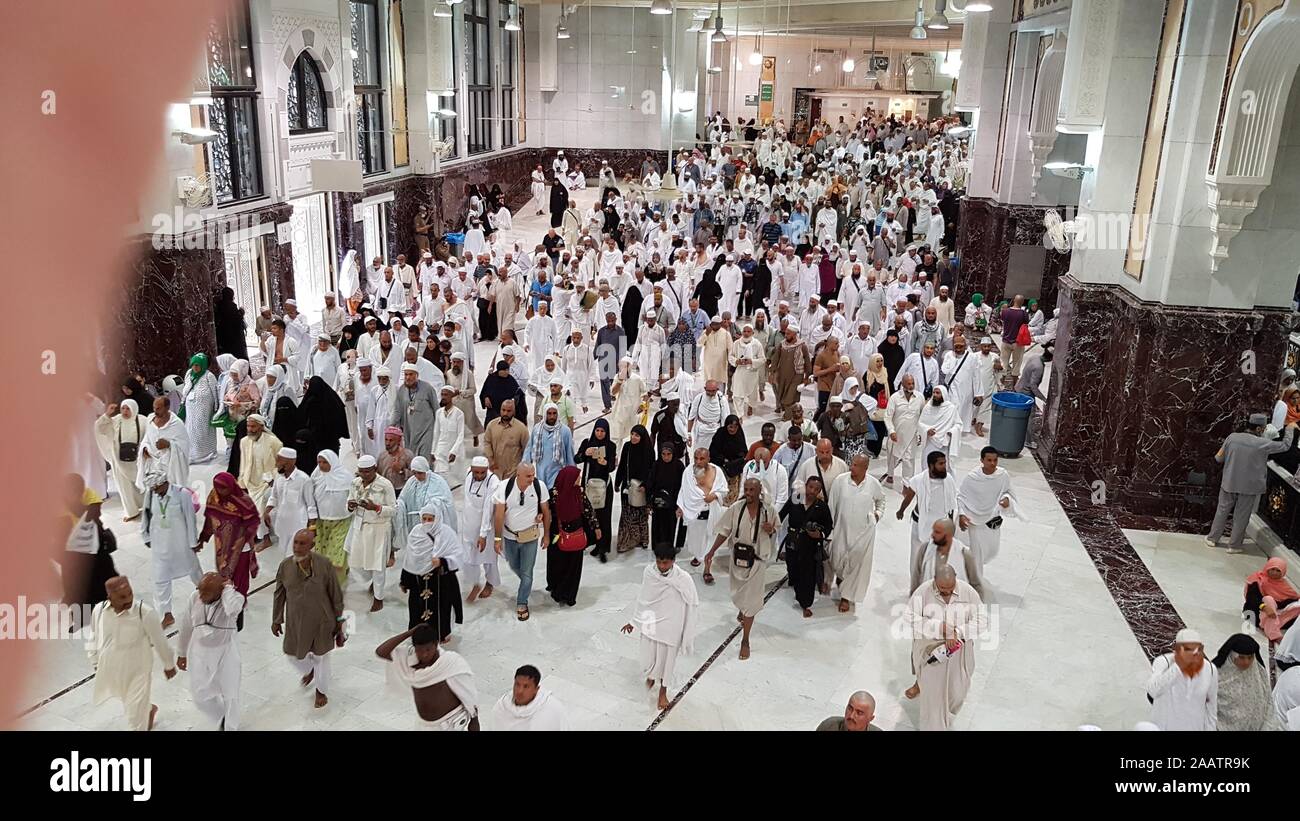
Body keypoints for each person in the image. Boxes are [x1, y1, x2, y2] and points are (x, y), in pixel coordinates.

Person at [86, 576, 177, 730]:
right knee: (130, 702)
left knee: (134, 717)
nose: (128, 599)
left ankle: (142, 716)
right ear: (110, 597)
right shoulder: (99, 610)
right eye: (122, 597)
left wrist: (168, 664)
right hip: (113, 670)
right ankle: (147, 710)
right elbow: (94, 637)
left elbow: (160, 640)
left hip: (139, 671)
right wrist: (95, 661)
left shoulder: (144, 613)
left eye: (130, 594)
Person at [903, 565, 984, 731]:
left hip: (958, 652)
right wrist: (939, 628)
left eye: (950, 589)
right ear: (934, 581)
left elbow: (982, 620)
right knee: (933, 700)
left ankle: (943, 717)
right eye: (941, 590)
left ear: (955, 579)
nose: (946, 593)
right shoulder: (923, 592)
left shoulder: (968, 593)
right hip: (931, 653)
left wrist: (958, 632)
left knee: (958, 693)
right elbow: (909, 617)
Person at [272, 529, 346, 709]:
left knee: (321, 657)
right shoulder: (285, 566)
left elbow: (335, 594)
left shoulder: (324, 564)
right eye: (295, 542)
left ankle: (321, 690)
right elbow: (279, 594)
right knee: (291, 654)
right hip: (295, 620)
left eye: (302, 543)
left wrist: (340, 621)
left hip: (322, 619)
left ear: (312, 546)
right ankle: (309, 671)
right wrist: (276, 619)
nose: (297, 547)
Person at [706, 477, 778, 660]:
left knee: (752, 603)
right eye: (746, 489)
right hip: (738, 561)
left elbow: (776, 529)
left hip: (758, 561)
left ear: (759, 490)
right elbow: (724, 531)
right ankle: (743, 609)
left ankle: (745, 639)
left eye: (752, 490)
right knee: (740, 596)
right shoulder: (736, 509)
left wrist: (770, 529)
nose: (748, 493)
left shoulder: (768, 511)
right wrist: (712, 551)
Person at [622, 544, 700, 711]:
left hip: (671, 625)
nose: (662, 566)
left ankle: (663, 692)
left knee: (667, 660)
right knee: (649, 656)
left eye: (666, 563)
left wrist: (687, 630)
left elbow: (691, 602)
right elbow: (644, 598)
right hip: (651, 622)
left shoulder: (683, 578)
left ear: (673, 561)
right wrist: (634, 621)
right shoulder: (649, 573)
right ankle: (651, 676)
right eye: (659, 562)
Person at [1206, 412, 1295, 553]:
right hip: (1249, 487)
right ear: (1259, 429)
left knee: (1221, 511)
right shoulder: (1263, 444)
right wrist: (1290, 428)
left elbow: (1218, 458)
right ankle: (1233, 546)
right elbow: (1285, 446)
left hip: (1229, 482)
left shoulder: (1232, 437)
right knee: (1241, 517)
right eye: (1264, 428)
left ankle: (1212, 538)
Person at [176, 572, 244, 730]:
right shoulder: (195, 598)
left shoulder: (234, 598)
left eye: (206, 592)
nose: (201, 596)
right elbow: (186, 625)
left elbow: (232, 609)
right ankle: (222, 716)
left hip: (225, 653)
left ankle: (230, 727)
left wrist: (227, 589)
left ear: (219, 591)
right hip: (199, 652)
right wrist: (181, 653)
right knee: (200, 695)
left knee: (230, 693)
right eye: (200, 590)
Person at [140, 469, 203, 629]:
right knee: (160, 579)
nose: (155, 492)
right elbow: (146, 516)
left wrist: (193, 542)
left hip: (181, 543)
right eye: (153, 489)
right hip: (160, 545)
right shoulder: (151, 494)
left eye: (157, 489)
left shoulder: (182, 494)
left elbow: (190, 520)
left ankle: (206, 595)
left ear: (165, 483)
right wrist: (146, 536)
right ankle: (166, 615)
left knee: (193, 570)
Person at [827, 454, 887, 613]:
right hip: (841, 530)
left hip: (863, 534)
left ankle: (846, 597)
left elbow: (881, 500)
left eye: (856, 465)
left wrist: (877, 515)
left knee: (857, 565)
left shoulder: (873, 484)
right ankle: (841, 577)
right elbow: (831, 506)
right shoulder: (840, 481)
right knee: (837, 560)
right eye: (851, 464)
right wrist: (829, 530)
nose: (851, 468)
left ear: (865, 468)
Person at [493, 462, 551, 621]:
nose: (532, 479)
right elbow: (498, 515)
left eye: (533, 475)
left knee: (527, 572)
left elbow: (546, 511)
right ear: (518, 475)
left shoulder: (540, 486)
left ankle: (522, 602)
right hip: (510, 536)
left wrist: (546, 535)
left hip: (530, 536)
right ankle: (527, 582)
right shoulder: (504, 487)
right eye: (528, 476)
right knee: (513, 564)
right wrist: (497, 538)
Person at [400, 501, 464, 641]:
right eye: (424, 519)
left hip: (441, 581)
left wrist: (443, 561)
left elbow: (457, 555)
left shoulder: (446, 533)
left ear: (438, 518)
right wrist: (405, 580)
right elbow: (409, 558)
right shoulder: (416, 533)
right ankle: (418, 636)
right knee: (417, 609)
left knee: (442, 609)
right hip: (418, 582)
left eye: (431, 519)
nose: (427, 522)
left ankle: (442, 634)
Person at [897, 451, 959, 593]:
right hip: (921, 524)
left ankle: (935, 588)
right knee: (917, 558)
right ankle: (915, 588)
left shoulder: (948, 479)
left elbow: (952, 503)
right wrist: (901, 510)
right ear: (931, 465)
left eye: (945, 463)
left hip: (941, 527)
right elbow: (909, 497)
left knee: (938, 560)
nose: (944, 466)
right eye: (941, 463)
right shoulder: (919, 480)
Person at [956, 446, 1019, 573]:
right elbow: (961, 497)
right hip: (973, 519)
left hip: (991, 519)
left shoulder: (1002, 475)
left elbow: (1008, 492)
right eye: (989, 460)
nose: (993, 463)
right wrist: (962, 515)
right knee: (976, 552)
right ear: (982, 460)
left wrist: (1006, 499)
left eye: (995, 460)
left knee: (990, 550)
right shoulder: (972, 477)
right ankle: (975, 579)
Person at [546, 465, 600, 607]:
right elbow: (545, 511)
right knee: (558, 562)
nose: (580, 479)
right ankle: (557, 590)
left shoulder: (579, 493)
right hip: (557, 534)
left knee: (574, 565)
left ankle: (569, 594)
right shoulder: (553, 494)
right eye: (577, 477)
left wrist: (596, 527)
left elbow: (589, 510)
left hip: (576, 533)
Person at [1146, 628, 1217, 731]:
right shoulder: (1163, 662)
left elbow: (1211, 709)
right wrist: (1178, 666)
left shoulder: (1210, 669)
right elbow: (1153, 691)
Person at [783, 475, 834, 617]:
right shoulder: (795, 499)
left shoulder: (821, 507)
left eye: (816, 489)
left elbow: (829, 526)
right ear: (805, 486)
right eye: (810, 487)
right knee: (792, 567)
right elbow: (781, 515)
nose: (812, 491)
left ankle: (805, 603)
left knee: (807, 574)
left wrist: (820, 534)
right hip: (793, 541)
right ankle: (795, 584)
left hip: (810, 545)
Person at [1211, 633, 1282, 731]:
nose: (1246, 662)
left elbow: (1267, 702)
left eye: (1250, 657)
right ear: (1232, 655)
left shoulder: (1258, 671)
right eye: (1242, 657)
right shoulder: (1214, 676)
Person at [678, 447, 728, 571]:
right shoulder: (688, 471)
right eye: (696, 458)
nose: (698, 461)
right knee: (695, 537)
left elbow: (724, 489)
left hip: (711, 509)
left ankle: (707, 557)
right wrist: (680, 506)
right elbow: (684, 490)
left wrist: (714, 495)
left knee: (709, 535)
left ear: (708, 459)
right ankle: (697, 555)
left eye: (701, 459)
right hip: (694, 510)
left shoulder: (717, 471)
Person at [95, 399, 145, 520]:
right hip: (119, 462)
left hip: (137, 461)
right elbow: (99, 427)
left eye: (128, 408)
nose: (125, 411)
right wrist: (107, 414)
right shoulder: (116, 420)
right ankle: (131, 511)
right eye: (123, 408)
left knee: (141, 485)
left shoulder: (143, 421)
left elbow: (149, 437)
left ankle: (147, 505)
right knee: (124, 488)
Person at [262, 447, 318, 555]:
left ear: (291, 462)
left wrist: (312, 527)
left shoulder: (304, 479)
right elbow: (273, 497)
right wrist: (267, 511)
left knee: (294, 554)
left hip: (298, 524)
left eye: (281, 462)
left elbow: (311, 505)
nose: (277, 464)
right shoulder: (279, 477)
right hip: (282, 523)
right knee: (283, 553)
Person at [461, 456, 502, 603]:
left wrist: (483, 534)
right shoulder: (467, 474)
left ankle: (490, 583)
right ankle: (475, 584)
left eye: (482, 473)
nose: (479, 476)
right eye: (476, 472)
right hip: (468, 526)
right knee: (468, 558)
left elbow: (488, 509)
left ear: (487, 470)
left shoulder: (493, 482)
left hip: (486, 529)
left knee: (489, 559)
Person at [576, 418, 616, 561]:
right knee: (588, 514)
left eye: (602, 431)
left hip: (604, 486)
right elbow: (577, 459)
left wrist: (605, 462)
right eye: (597, 431)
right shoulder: (587, 443)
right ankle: (591, 541)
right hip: (588, 485)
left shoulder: (611, 446)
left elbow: (612, 466)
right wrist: (585, 453)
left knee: (604, 516)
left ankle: (603, 547)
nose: (599, 434)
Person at [310, 451, 352, 587]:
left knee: (337, 551)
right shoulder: (316, 476)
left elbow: (353, 496)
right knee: (322, 551)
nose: (321, 465)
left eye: (325, 462)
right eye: (319, 462)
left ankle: (336, 583)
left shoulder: (345, 477)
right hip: (322, 521)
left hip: (342, 520)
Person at [488, 665, 571, 731]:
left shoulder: (553, 709)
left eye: (526, 686)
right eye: (517, 684)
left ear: (536, 689)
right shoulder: (501, 708)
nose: (520, 691)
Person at [615, 424, 653, 554]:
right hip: (628, 487)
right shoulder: (627, 447)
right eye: (632, 434)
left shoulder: (648, 450)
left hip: (641, 489)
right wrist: (617, 482)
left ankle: (642, 540)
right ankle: (626, 541)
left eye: (637, 435)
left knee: (641, 514)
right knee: (627, 515)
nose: (633, 437)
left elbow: (651, 471)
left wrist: (645, 485)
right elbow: (622, 466)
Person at [138, 396, 190, 491]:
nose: (155, 411)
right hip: (153, 464)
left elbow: (185, 446)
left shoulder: (177, 424)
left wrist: (169, 445)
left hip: (170, 466)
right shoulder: (150, 419)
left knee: (169, 492)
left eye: (158, 408)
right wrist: (144, 448)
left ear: (167, 408)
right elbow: (147, 438)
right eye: (154, 408)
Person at [1242, 557, 1299, 640]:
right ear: (1267, 568)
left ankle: (1269, 625)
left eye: (1278, 571)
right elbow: (1251, 599)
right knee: (1268, 599)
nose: (1274, 573)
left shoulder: (1282, 584)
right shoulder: (1258, 580)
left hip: (1272, 614)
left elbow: (1288, 600)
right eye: (1272, 569)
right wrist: (1264, 607)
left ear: (1283, 572)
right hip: (1255, 613)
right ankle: (1273, 634)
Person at [180, 353, 221, 464]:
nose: (195, 367)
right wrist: (183, 401)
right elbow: (186, 387)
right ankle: (192, 453)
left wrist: (217, 407)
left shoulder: (209, 376)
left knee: (202, 429)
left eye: (198, 365)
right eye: (193, 365)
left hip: (204, 409)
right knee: (191, 429)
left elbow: (215, 392)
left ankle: (203, 453)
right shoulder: (189, 374)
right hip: (190, 409)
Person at [648, 440, 686, 550]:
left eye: (668, 454)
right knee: (658, 524)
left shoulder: (679, 466)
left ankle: (671, 546)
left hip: (673, 502)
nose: (666, 457)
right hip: (658, 501)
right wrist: (649, 502)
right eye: (663, 454)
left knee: (671, 525)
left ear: (673, 454)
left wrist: (680, 504)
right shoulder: (657, 465)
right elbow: (651, 482)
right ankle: (658, 546)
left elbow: (683, 485)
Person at [915, 384, 961, 474]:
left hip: (943, 443)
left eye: (938, 393)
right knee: (927, 465)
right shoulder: (928, 407)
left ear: (943, 394)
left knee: (942, 467)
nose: (935, 395)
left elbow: (958, 424)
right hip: (930, 442)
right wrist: (927, 430)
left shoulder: (950, 408)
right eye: (934, 393)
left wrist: (952, 432)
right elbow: (920, 423)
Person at [768, 327, 812, 419]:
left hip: (796, 376)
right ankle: (790, 414)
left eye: (788, 334)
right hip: (783, 375)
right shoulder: (782, 345)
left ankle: (788, 417)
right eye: (786, 333)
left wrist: (807, 377)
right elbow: (775, 359)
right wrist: (772, 373)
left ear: (794, 334)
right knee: (782, 396)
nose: (786, 335)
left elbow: (807, 362)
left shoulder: (802, 346)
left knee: (790, 398)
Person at [527, 403, 574, 487]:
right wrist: (525, 467)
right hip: (541, 472)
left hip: (558, 471)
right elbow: (529, 449)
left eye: (554, 413)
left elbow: (569, 454)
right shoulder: (537, 429)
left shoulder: (565, 431)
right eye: (549, 413)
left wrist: (573, 474)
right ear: (545, 414)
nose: (552, 416)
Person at [483, 398, 529, 480]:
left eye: (509, 411)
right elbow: (487, 442)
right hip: (494, 471)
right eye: (503, 410)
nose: (505, 413)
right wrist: (490, 459)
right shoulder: (491, 425)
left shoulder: (521, 428)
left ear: (514, 412)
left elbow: (527, 449)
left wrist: (522, 468)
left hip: (513, 473)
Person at [709, 414, 749, 505]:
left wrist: (736, 460)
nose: (732, 429)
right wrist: (723, 460)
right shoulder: (720, 434)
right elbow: (713, 451)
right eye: (730, 427)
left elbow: (743, 451)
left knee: (732, 496)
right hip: (720, 468)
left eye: (735, 427)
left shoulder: (739, 435)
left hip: (734, 471)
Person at [816, 691, 882, 731]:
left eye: (859, 713)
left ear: (870, 718)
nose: (851, 716)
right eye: (850, 708)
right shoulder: (828, 726)